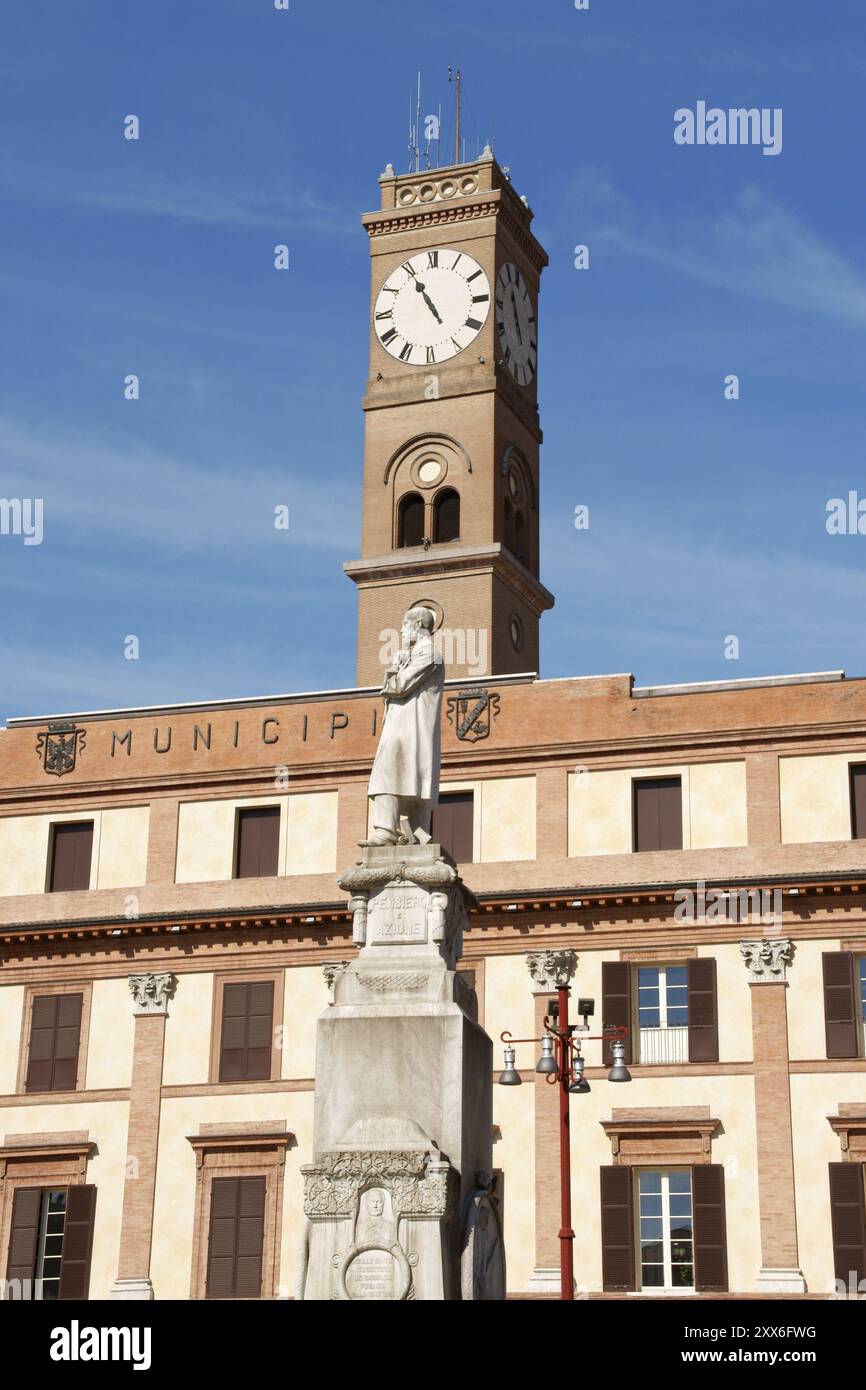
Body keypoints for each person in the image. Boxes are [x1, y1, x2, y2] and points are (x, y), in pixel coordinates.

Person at [361, 606, 444, 846]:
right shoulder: (416, 655)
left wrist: (396, 669)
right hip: (405, 728)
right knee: (403, 777)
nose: (401, 631)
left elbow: (398, 686)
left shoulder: (428, 653)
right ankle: (413, 835)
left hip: (409, 731)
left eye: (404, 626)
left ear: (417, 624)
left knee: (387, 773)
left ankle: (387, 831)